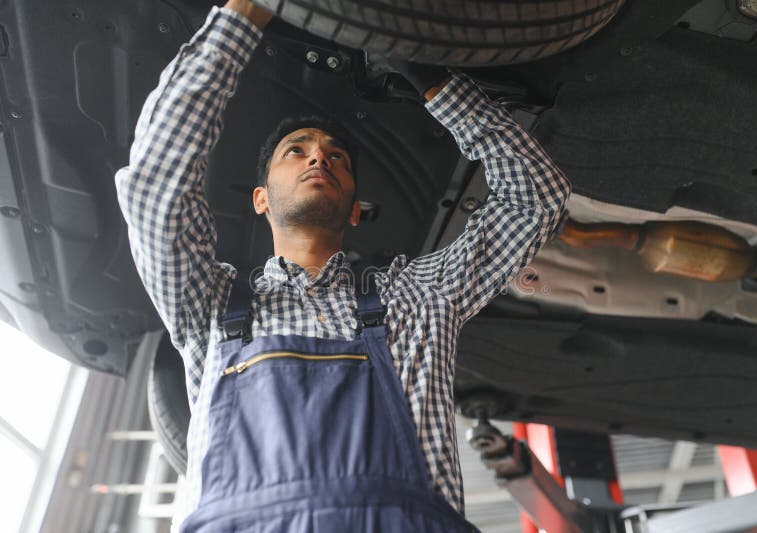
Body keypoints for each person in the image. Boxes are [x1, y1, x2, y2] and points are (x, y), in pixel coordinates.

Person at [115, 0, 571, 531]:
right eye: (296, 151)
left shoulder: (421, 298)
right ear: (260, 199)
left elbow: (535, 198)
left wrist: (431, 80)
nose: (318, 158)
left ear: (356, 209)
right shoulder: (210, 308)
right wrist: (242, 17)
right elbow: (154, 184)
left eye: (337, 157)